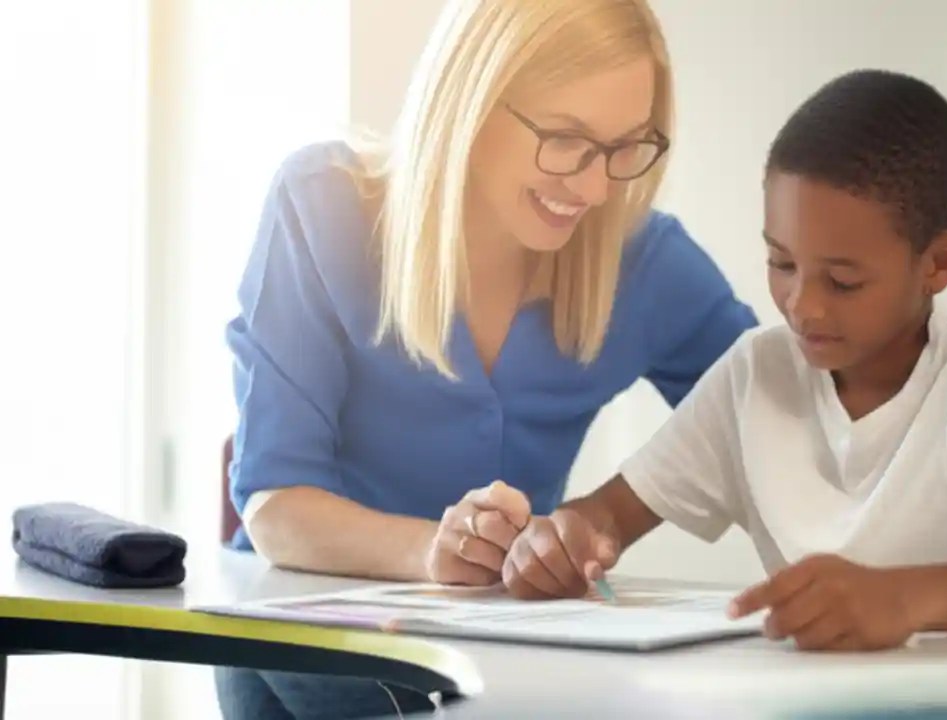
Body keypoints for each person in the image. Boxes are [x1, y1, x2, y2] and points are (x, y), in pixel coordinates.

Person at [215, 0, 756, 717]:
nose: (596, 188)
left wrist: (608, 517)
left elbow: (772, 419)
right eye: (566, 139)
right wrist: (434, 550)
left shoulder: (645, 260)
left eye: (627, 145)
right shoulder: (322, 207)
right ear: (472, 101)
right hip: (314, 646)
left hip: (513, 654)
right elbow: (277, 506)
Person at [500, 68, 947, 652]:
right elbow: (606, 516)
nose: (803, 305)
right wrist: (567, 538)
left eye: (843, 281)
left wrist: (899, 599)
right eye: (781, 263)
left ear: (939, 264)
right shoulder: (758, 371)